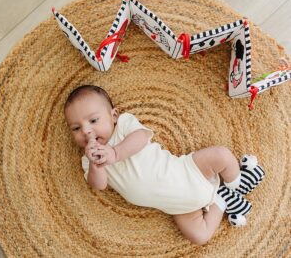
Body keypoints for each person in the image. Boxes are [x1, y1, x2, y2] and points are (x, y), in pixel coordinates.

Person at [64, 85, 265, 245]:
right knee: (199, 237)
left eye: (93, 120)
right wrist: (96, 166)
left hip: (189, 170)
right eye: (76, 128)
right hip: (178, 207)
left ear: (113, 116)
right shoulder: (88, 161)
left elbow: (141, 138)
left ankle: (235, 182)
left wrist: (116, 153)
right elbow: (98, 185)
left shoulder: (124, 126)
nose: (86, 131)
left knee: (220, 155)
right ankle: (221, 201)